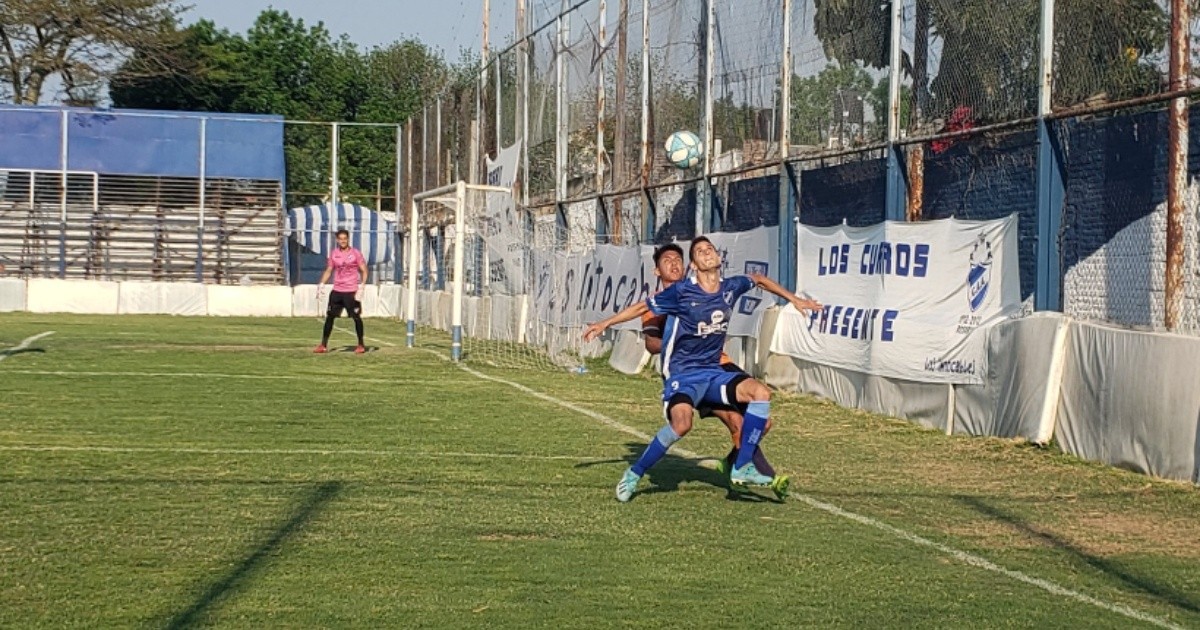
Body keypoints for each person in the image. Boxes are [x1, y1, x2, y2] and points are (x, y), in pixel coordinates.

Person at [584, 236, 820, 502]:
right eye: (700, 251)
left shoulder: (730, 288)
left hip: (714, 371)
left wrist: (794, 300)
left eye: (710, 249)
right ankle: (634, 472)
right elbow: (642, 308)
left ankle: (742, 466)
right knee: (682, 425)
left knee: (761, 394)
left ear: (718, 258)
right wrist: (606, 323)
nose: (707, 252)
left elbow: (759, 279)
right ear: (694, 266)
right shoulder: (682, 292)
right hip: (684, 375)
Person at [640, 243, 785, 498]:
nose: (674, 264)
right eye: (666, 261)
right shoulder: (661, 304)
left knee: (763, 420)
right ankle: (766, 476)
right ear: (656, 271)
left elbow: (754, 281)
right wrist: (685, 338)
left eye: (678, 259)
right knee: (735, 421)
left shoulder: (701, 290)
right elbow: (652, 344)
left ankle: (732, 463)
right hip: (690, 373)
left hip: (721, 364)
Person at [314, 229, 368, 354]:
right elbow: (329, 270)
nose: (343, 241)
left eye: (345, 238)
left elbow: (364, 270)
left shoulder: (356, 253)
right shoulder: (334, 254)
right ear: (337, 240)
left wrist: (362, 286)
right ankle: (323, 344)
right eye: (341, 239)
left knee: (356, 317)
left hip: (351, 291)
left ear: (348, 239)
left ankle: (361, 344)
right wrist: (321, 284)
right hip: (337, 291)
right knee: (330, 317)